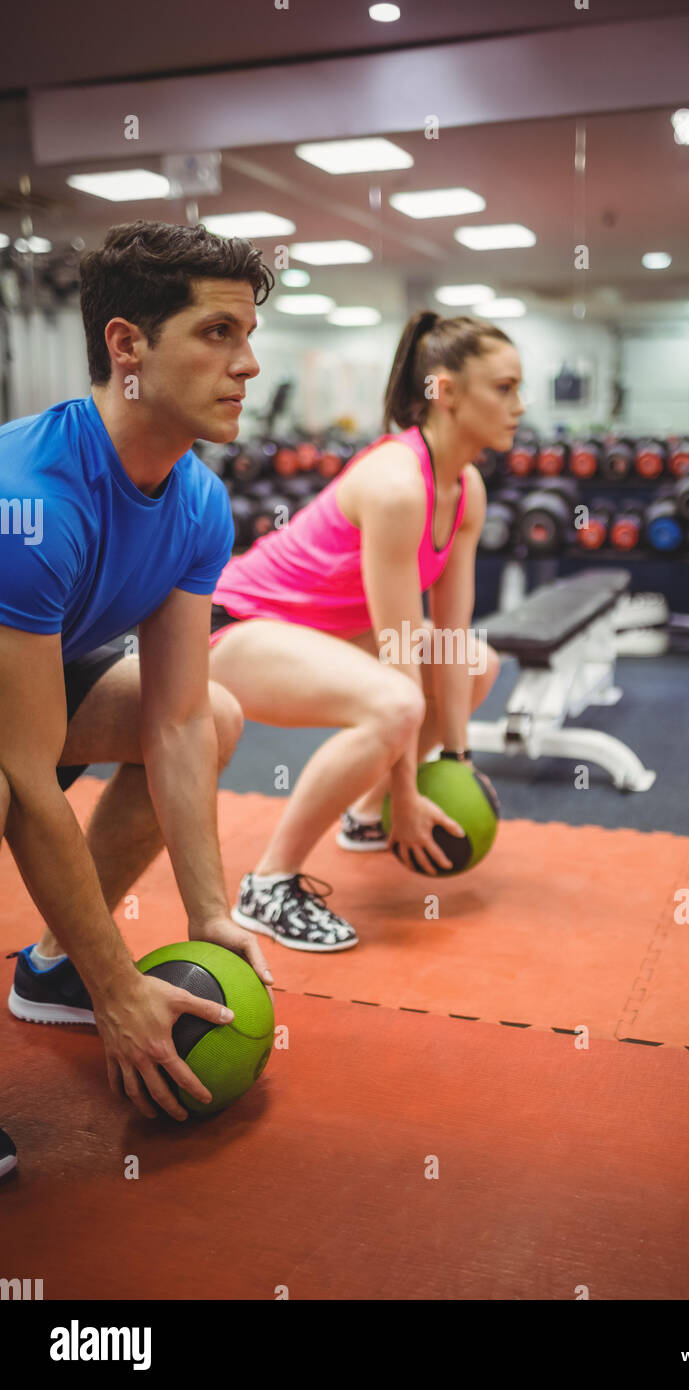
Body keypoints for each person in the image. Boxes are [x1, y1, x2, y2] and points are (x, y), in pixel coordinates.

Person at [0, 220, 276, 1176]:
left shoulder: (197, 502)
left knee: (221, 715)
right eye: (217, 333)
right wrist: (125, 994)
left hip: (28, 681)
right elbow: (30, 777)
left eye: (249, 336)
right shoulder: (33, 501)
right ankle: (93, 978)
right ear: (127, 347)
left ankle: (53, 968)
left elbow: (178, 717)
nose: (247, 364)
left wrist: (211, 916)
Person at [208, 311, 522, 950]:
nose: (520, 405)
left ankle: (363, 817)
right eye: (505, 387)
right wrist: (409, 794)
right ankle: (269, 884)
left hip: (312, 632)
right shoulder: (397, 485)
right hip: (232, 627)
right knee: (396, 700)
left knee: (474, 663)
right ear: (447, 392)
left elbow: (450, 636)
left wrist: (458, 763)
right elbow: (403, 655)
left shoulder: (466, 488)